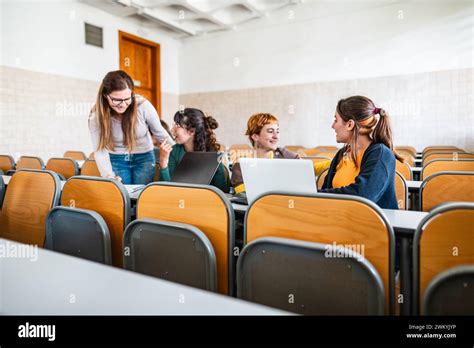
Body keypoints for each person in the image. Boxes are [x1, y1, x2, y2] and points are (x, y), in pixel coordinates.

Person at [88, 70, 174, 185]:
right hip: (117, 158)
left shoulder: (143, 106)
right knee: (124, 196)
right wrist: (108, 174)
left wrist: (180, 155)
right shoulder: (96, 115)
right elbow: (100, 150)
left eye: (127, 98)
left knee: (141, 195)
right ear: (105, 95)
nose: (123, 104)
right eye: (116, 100)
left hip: (144, 157)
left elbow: (160, 133)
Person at [320, 95, 403, 209]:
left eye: (336, 120)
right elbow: (326, 191)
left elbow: (362, 196)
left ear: (350, 124)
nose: (332, 126)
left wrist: (315, 194)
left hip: (370, 224)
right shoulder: (341, 154)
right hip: (340, 219)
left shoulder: (381, 154)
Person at [231, 112, 330, 194]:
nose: (276, 136)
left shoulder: (283, 154)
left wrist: (338, 160)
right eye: (270, 131)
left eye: (277, 131)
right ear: (255, 136)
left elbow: (308, 168)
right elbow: (244, 196)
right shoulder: (240, 166)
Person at [159, 108, 230, 193]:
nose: (172, 130)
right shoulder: (174, 151)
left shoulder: (211, 154)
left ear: (192, 131)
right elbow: (165, 191)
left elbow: (223, 191)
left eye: (177, 125)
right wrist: (163, 162)